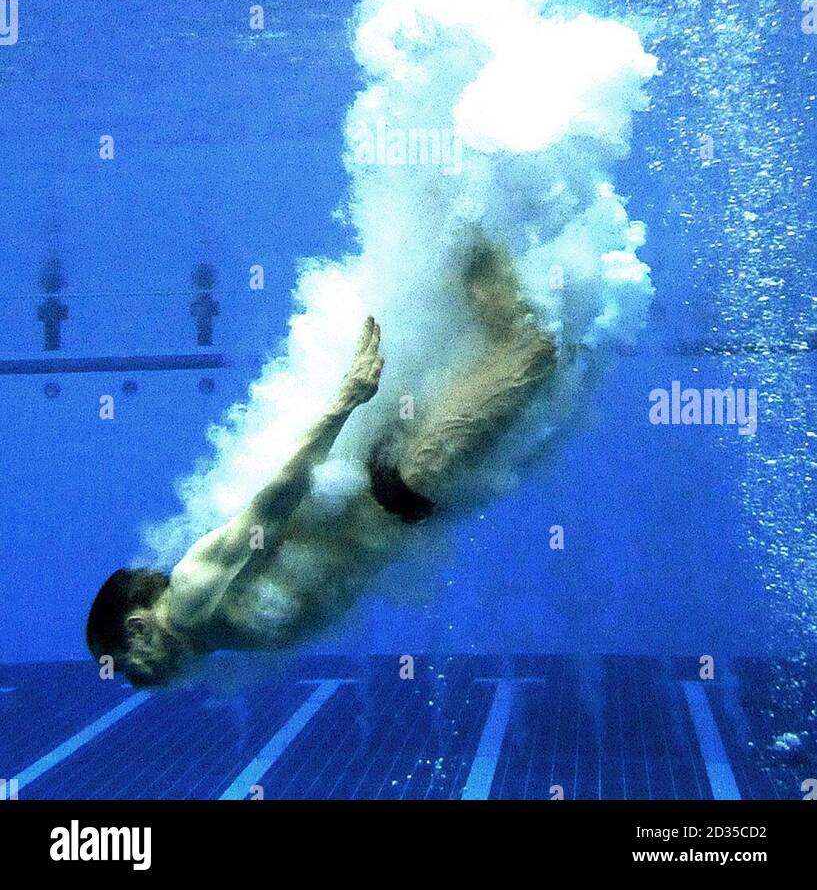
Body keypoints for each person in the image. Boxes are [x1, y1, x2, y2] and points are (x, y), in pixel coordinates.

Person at [86, 243, 557, 687]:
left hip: (405, 478)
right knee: (532, 357)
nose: (138, 681)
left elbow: (276, 497)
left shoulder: (191, 597)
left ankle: (461, 225)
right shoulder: (209, 632)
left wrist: (346, 400)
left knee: (531, 349)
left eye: (127, 669)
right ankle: (458, 233)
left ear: (136, 629)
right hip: (407, 494)